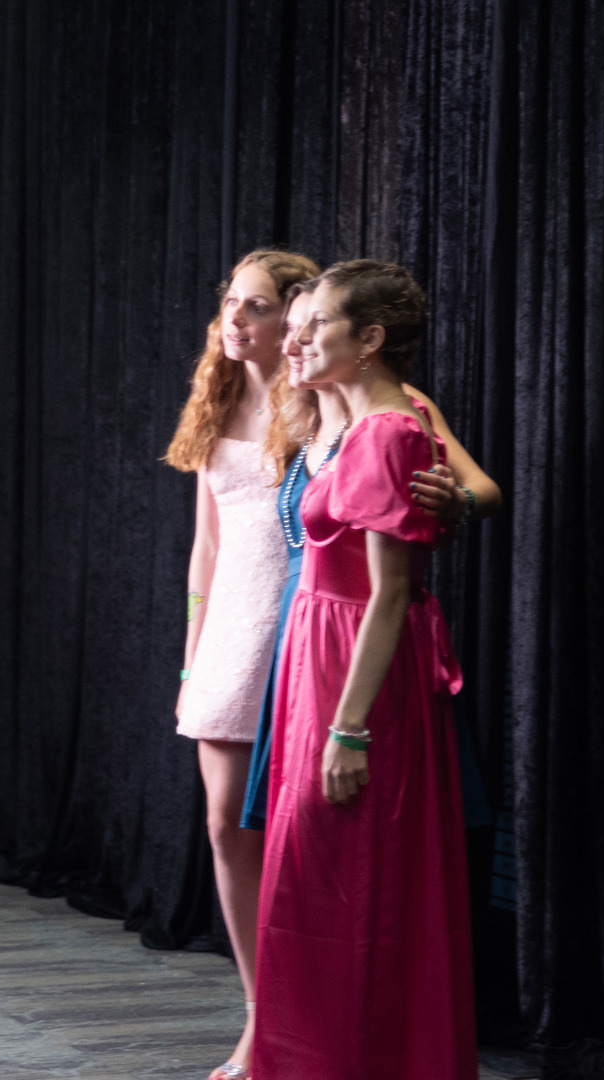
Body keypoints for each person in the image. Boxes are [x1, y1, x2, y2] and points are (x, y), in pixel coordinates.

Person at [253, 260, 475, 1079]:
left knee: (352, 878)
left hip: (355, 666)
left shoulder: (391, 431)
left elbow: (388, 596)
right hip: (321, 656)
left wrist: (348, 728)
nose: (298, 340)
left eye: (318, 328)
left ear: (371, 339)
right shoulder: (354, 423)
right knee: (318, 879)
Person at [163, 248, 319, 1080]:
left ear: (290, 317)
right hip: (228, 630)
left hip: (297, 625)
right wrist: (193, 656)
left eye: (253, 306)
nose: (233, 319)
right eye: (229, 302)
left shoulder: (320, 405)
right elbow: (207, 546)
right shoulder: (215, 398)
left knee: (296, 834)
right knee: (226, 824)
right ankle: (259, 1015)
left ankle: (308, 1009)